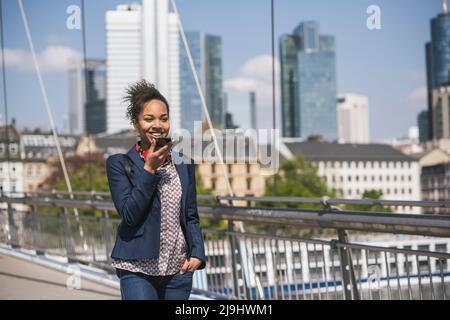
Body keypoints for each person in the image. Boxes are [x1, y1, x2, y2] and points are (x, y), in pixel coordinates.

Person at [106, 79, 206, 300]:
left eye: (164, 118)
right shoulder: (119, 163)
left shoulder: (184, 164)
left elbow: (191, 216)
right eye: (148, 119)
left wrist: (197, 253)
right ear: (135, 122)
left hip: (177, 271)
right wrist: (149, 169)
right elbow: (130, 215)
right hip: (137, 269)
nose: (158, 125)